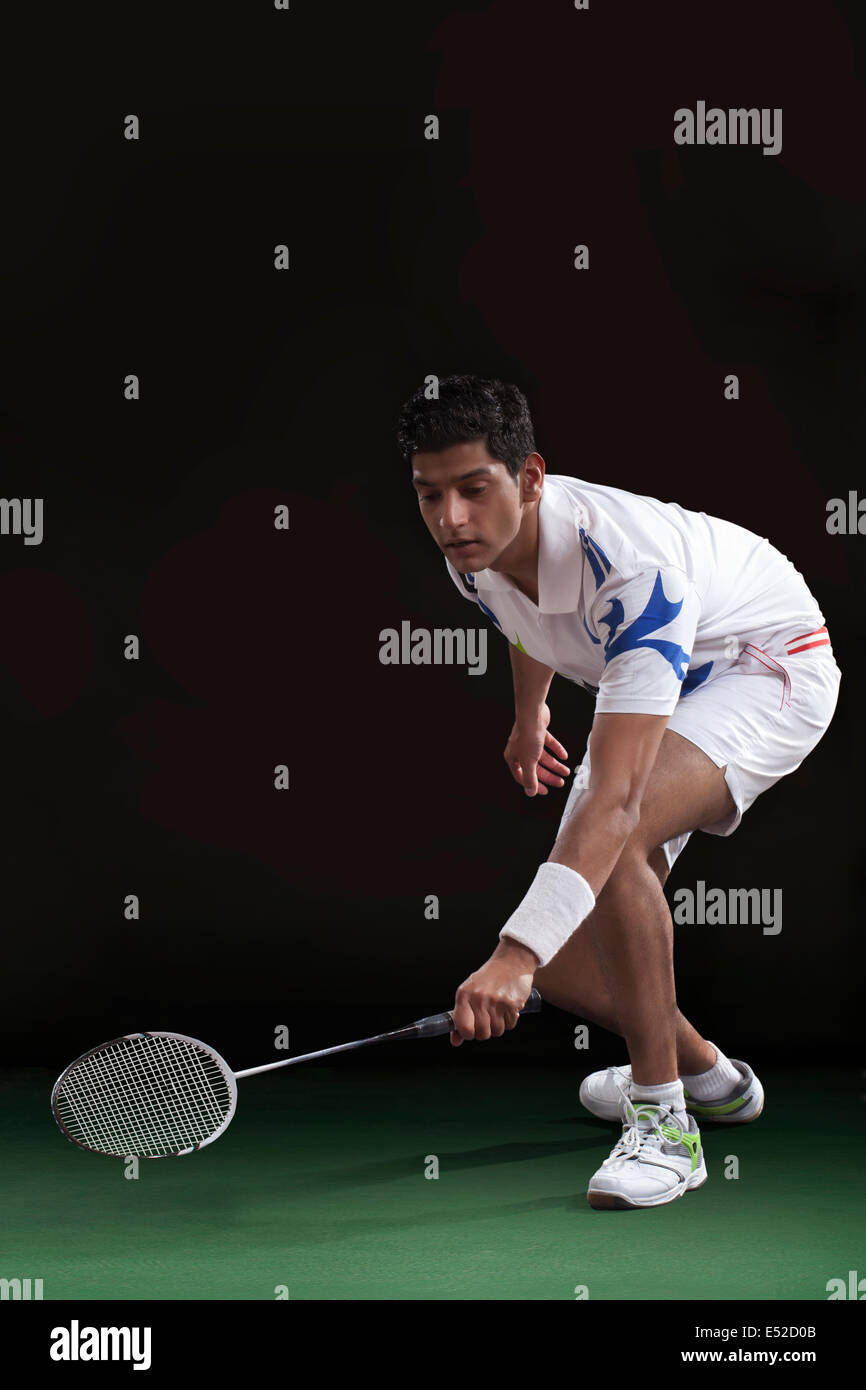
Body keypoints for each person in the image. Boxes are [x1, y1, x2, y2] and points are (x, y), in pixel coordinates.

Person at [395, 374, 841, 1210]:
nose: (451, 518)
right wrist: (531, 714)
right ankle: (709, 1074)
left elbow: (619, 806)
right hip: (658, 677)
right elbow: (524, 614)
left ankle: (666, 1120)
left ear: (530, 479)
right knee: (563, 967)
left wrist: (508, 955)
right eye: (430, 495)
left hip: (764, 663)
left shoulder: (632, 574)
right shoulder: (472, 549)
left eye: (472, 490)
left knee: (616, 842)